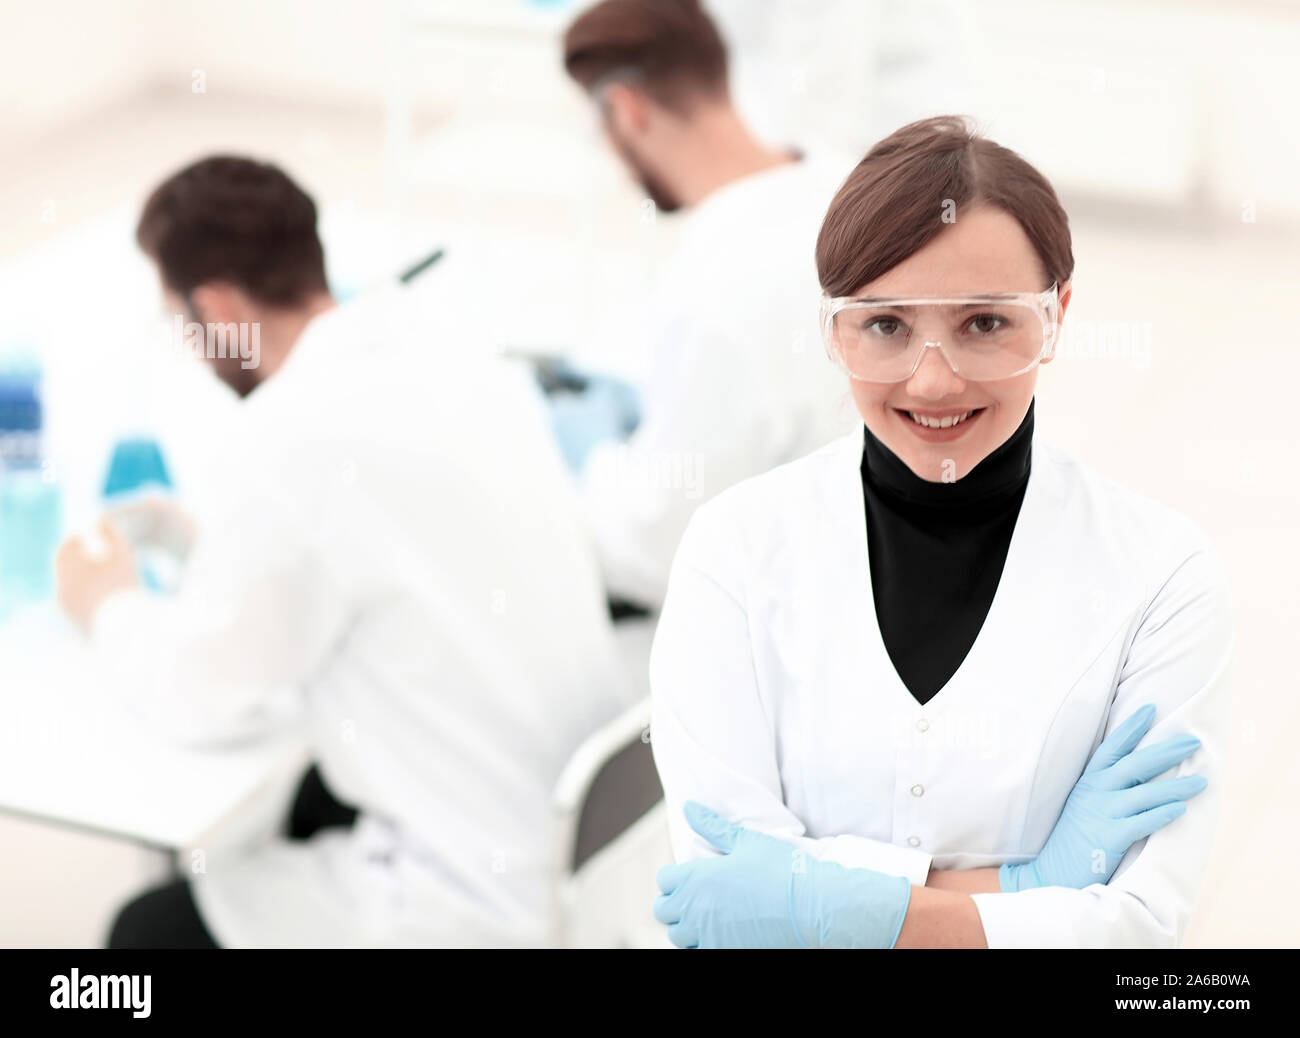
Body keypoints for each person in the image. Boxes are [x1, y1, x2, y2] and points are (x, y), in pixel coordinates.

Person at [648, 116, 1234, 948]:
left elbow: (1137, 934)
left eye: (985, 324)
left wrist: (832, 905)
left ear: (1057, 316)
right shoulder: (734, 552)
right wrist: (1030, 888)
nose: (933, 378)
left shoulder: (1161, 577)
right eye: (884, 325)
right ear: (833, 328)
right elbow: (725, 907)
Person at [54, 156, 627, 947]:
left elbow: (206, 698)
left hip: (470, 902)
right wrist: (204, 547)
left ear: (216, 307)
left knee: (148, 932)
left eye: (180, 323)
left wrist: (106, 603)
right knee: (298, 806)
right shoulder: (460, 361)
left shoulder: (284, 437)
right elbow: (386, 557)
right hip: (584, 852)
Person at [559, 0, 859, 611]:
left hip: (790, 613)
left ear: (627, 110)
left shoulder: (719, 298)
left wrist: (593, 464)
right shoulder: (849, 182)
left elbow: (653, 554)